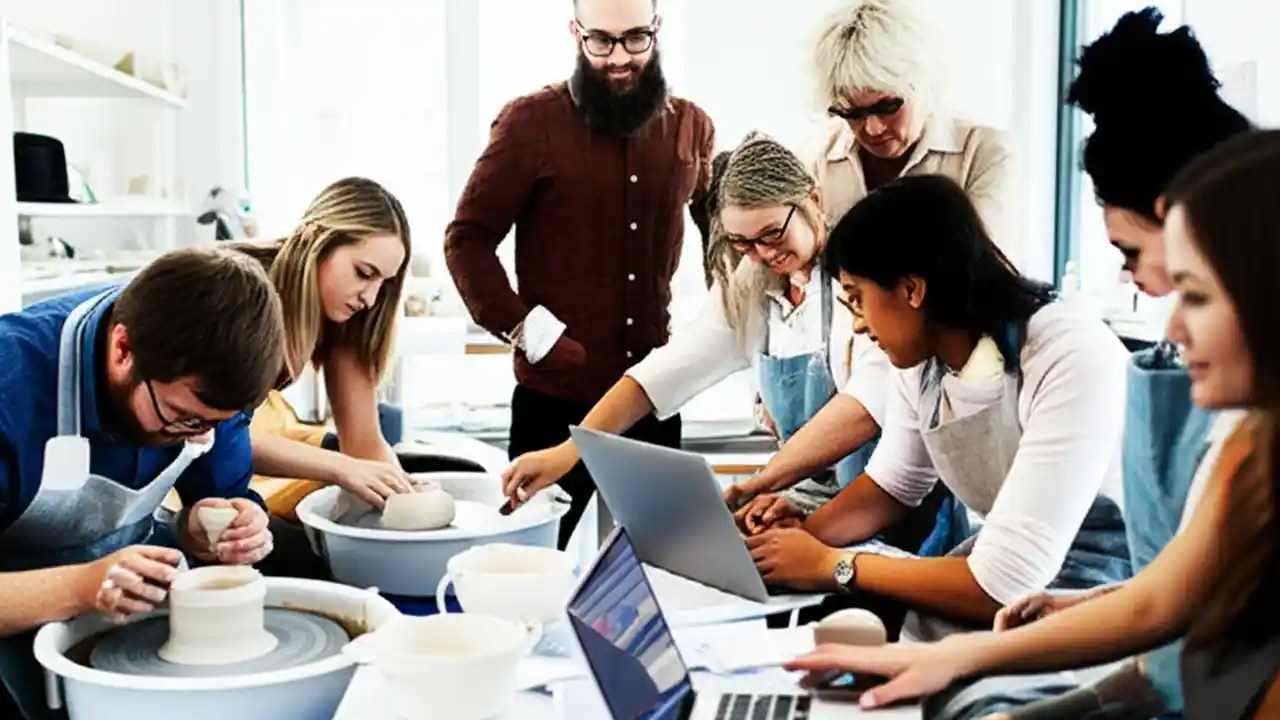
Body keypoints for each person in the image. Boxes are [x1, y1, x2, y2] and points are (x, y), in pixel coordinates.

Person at [785, 130, 1280, 720]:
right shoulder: (1249, 445)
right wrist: (964, 656)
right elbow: (1157, 603)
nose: (1172, 331)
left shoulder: (1069, 351)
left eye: (1194, 297)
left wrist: (833, 563)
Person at [751, 174, 1133, 717]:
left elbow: (1005, 580)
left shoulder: (1066, 353)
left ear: (911, 289)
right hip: (1004, 569)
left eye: (859, 300)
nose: (858, 326)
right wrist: (792, 546)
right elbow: (893, 486)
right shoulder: (921, 360)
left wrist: (831, 564)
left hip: (1103, 588)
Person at [974, 10, 1254, 719]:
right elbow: (1183, 579)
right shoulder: (1196, 370)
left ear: (1190, 218)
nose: (1129, 280)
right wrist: (1092, 603)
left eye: (1131, 252)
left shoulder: (1251, 407)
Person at [727, 0, 1018, 526]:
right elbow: (735, 309)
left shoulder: (982, 151)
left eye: (887, 105)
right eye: (851, 114)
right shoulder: (819, 162)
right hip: (864, 425)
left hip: (948, 399)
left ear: (922, 83)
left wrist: (772, 483)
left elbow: (962, 297)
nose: (872, 128)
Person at [445, 0, 715, 548]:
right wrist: (531, 333)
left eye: (635, 38)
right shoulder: (529, 122)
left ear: (657, 31)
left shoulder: (692, 127)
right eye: (602, 41)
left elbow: (724, 243)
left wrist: (729, 334)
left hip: (653, 399)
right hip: (553, 405)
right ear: (576, 34)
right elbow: (467, 240)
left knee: (666, 572)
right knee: (529, 564)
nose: (618, 57)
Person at [0, 249, 284, 719]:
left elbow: (222, 500)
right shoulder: (12, 393)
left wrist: (219, 529)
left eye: (213, 423)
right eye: (183, 418)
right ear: (122, 349)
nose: (197, 433)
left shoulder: (212, 383)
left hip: (120, 585)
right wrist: (80, 588)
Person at [229, 177, 433, 519]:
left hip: (242, 441)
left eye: (384, 283)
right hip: (178, 463)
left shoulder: (346, 315)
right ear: (312, 237)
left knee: (449, 470)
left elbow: (364, 443)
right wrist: (340, 468)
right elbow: (215, 438)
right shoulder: (239, 296)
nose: (370, 298)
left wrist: (406, 497)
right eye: (363, 273)